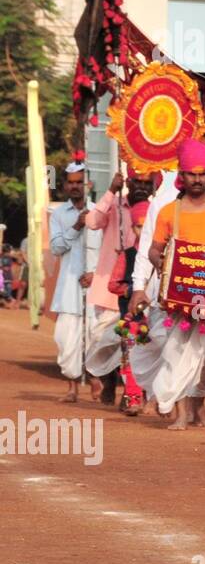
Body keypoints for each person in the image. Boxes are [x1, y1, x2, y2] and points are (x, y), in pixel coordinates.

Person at [135, 139, 205, 428]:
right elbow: (154, 249)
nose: (197, 179)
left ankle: (199, 404)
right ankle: (182, 414)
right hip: (179, 298)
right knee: (177, 351)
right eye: (191, 174)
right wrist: (161, 263)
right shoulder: (170, 211)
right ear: (181, 176)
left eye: (202, 174)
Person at [84, 168, 159, 414]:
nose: (140, 187)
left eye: (146, 183)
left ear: (153, 186)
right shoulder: (114, 204)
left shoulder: (157, 211)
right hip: (112, 292)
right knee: (102, 343)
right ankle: (109, 382)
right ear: (127, 181)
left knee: (140, 349)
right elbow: (92, 222)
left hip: (147, 305)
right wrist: (111, 191)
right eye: (135, 181)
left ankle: (138, 396)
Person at [48, 162, 94, 403]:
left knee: (97, 337)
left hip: (96, 286)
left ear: (88, 183)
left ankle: (97, 382)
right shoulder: (59, 215)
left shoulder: (99, 210)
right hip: (68, 287)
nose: (75, 186)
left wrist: (95, 274)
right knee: (66, 340)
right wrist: (76, 225)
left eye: (79, 181)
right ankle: (72, 388)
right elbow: (56, 248)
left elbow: (110, 250)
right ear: (64, 185)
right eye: (71, 182)